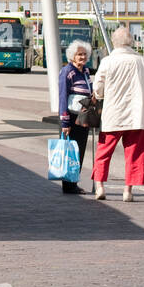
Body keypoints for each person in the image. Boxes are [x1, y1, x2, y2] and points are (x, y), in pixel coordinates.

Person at [91, 26, 144, 202]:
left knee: (104, 151)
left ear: (114, 42)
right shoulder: (142, 61)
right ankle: (128, 190)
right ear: (131, 42)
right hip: (138, 115)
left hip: (113, 114)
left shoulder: (107, 61)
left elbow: (98, 87)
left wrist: (101, 95)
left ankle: (99, 186)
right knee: (135, 154)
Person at [57, 39, 94, 194]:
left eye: (85, 54)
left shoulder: (85, 71)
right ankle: (68, 184)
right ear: (72, 56)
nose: (82, 57)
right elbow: (63, 96)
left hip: (83, 117)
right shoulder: (67, 71)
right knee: (70, 151)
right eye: (79, 55)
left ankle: (73, 181)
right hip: (71, 118)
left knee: (79, 151)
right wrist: (64, 122)